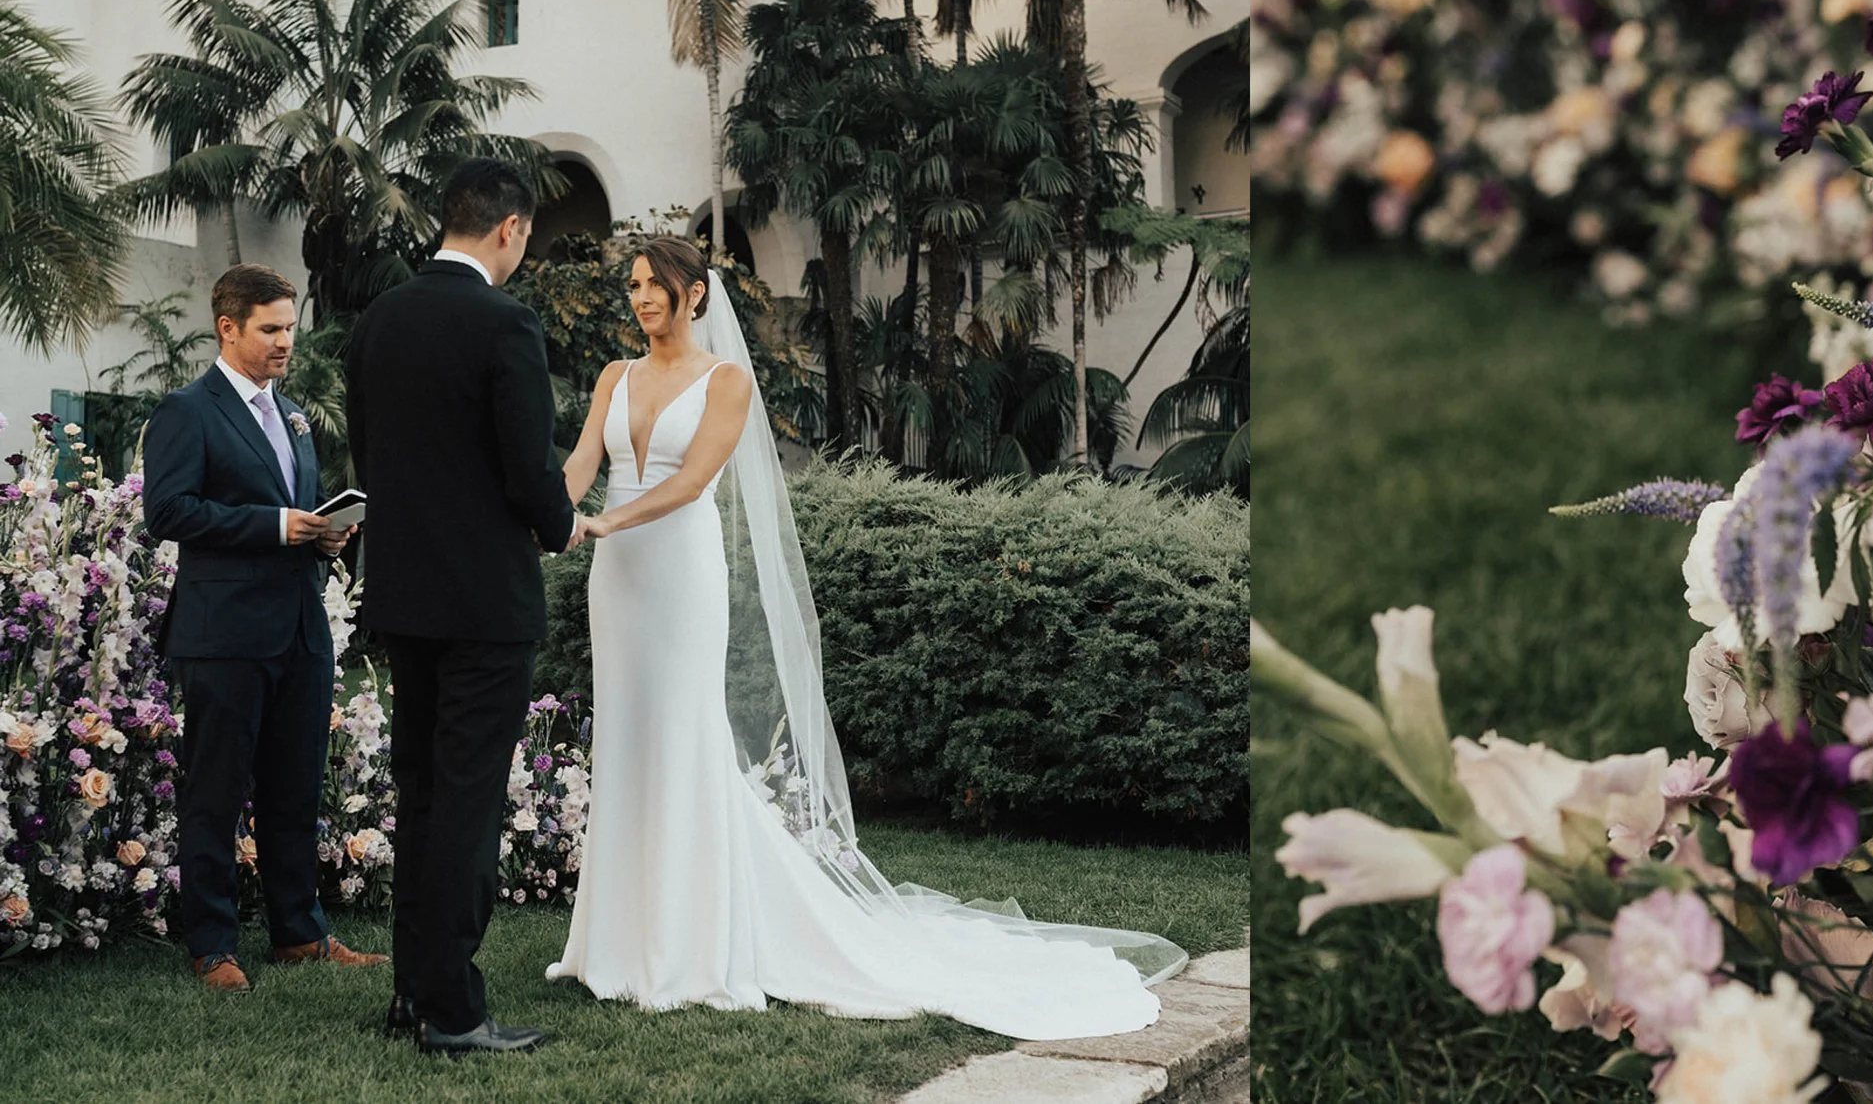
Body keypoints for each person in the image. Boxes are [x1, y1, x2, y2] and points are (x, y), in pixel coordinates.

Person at [544, 235, 1180, 1036]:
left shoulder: (727, 381)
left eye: (654, 286)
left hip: (677, 571)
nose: (639, 298)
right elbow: (580, 460)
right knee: (628, 740)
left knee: (682, 732)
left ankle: (687, 942)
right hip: (618, 581)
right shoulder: (615, 375)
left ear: (693, 295)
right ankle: (612, 942)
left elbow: (692, 479)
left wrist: (605, 518)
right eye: (632, 285)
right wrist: (555, 509)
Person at [346, 158, 585, 1055]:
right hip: (486, 602)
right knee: (469, 802)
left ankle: (415, 992)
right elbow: (532, 468)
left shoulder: (378, 319)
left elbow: (371, 455)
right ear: (511, 229)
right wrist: (560, 526)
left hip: (406, 595)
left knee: (422, 793)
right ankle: (451, 1008)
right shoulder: (505, 322)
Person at [142, 263, 384, 991]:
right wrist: (279, 524)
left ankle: (299, 932)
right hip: (223, 633)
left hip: (300, 628)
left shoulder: (297, 415)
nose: (286, 342)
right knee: (215, 792)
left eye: (290, 328)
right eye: (271, 329)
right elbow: (170, 511)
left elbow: (300, 507)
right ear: (229, 328)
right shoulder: (189, 409)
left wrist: (324, 534)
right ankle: (212, 944)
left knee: (294, 787)